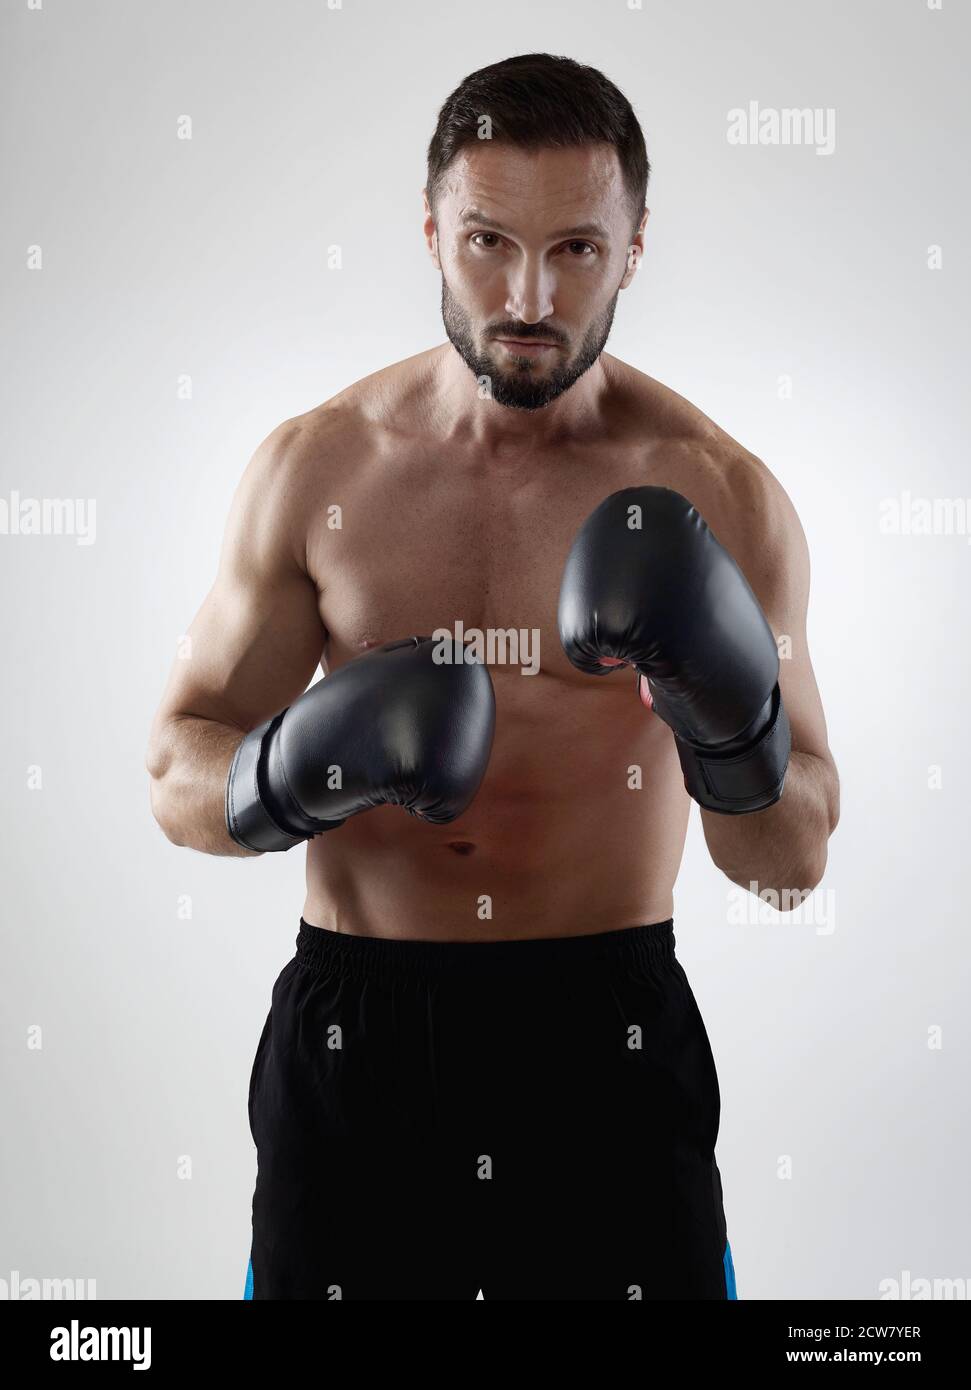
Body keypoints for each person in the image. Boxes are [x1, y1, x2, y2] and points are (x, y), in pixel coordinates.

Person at [146, 53, 839, 1301]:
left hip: (608, 1041)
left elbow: (786, 864)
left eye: (576, 247)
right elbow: (172, 778)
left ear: (633, 248)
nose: (527, 294)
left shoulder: (721, 494)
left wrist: (718, 719)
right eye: (485, 242)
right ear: (427, 232)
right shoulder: (314, 472)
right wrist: (289, 764)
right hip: (354, 1041)